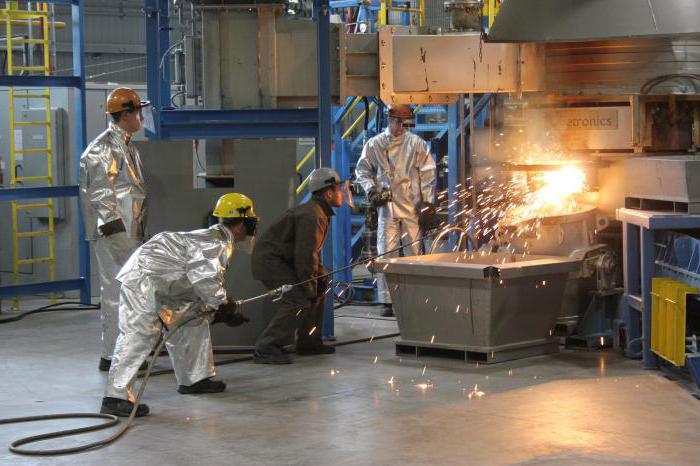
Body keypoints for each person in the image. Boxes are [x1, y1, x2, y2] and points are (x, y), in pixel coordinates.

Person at [100, 193, 258, 417]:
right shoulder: (216, 243)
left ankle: (194, 379)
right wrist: (226, 307)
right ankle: (114, 397)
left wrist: (219, 308)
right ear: (242, 224)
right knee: (138, 334)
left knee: (193, 320)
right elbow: (206, 280)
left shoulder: (215, 237)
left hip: (170, 284)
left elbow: (200, 280)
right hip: (145, 279)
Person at [79, 87, 150, 372]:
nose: (142, 116)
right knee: (116, 293)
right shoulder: (103, 149)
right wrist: (120, 238)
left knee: (128, 292)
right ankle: (112, 355)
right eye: (138, 111)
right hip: (114, 233)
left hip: (128, 231)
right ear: (125, 115)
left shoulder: (126, 145)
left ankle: (122, 353)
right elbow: (100, 197)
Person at [252, 168, 348, 364]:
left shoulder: (317, 211)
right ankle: (266, 348)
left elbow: (305, 255)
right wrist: (308, 284)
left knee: (320, 281)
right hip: (271, 262)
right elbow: (305, 255)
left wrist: (317, 280)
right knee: (299, 299)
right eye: (339, 189)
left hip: (284, 260)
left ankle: (308, 342)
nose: (342, 194)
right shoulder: (313, 215)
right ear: (328, 193)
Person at [355, 104, 436, 317]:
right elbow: (362, 170)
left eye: (405, 123)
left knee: (413, 253)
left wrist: (427, 202)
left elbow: (428, 172)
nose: (401, 127)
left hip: (412, 205)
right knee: (385, 253)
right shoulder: (375, 144)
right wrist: (371, 189)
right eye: (398, 122)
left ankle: (414, 298)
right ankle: (387, 301)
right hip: (386, 205)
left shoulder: (416, 143)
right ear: (389, 119)